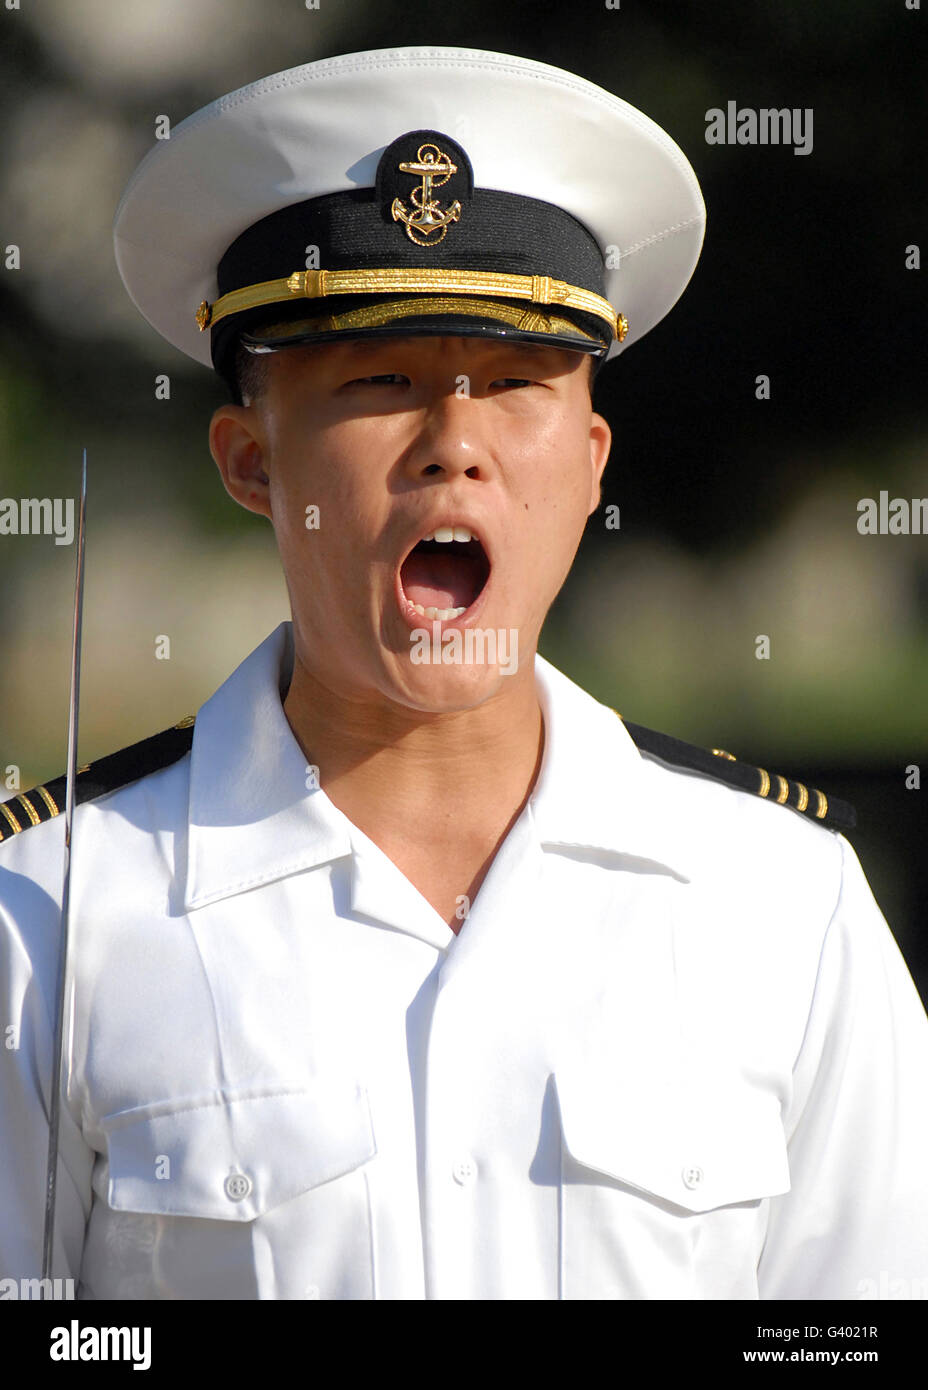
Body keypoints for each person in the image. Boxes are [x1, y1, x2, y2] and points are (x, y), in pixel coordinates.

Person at [1, 45, 925, 1302]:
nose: (454, 447)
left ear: (591, 460)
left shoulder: (780, 903)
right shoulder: (48, 913)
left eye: (514, 387)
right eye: (378, 383)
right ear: (250, 461)